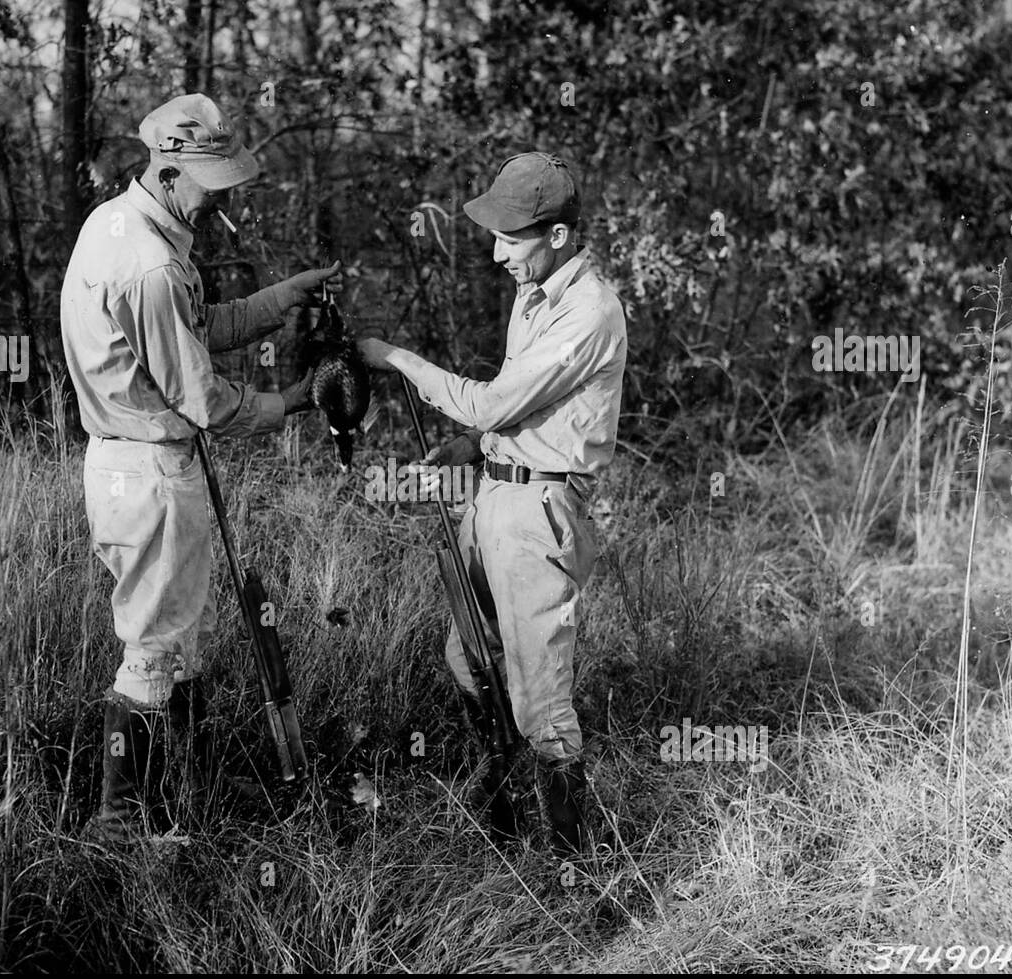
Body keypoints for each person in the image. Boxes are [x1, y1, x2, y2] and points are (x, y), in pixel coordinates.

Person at [61, 93, 342, 840]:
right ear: (170, 167)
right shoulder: (150, 263)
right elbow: (205, 399)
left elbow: (189, 330)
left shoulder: (122, 222)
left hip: (128, 462)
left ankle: (174, 798)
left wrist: (273, 302)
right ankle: (120, 825)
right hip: (151, 470)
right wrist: (296, 403)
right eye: (210, 185)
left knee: (173, 638)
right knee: (153, 649)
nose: (218, 202)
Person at [359, 152, 627, 857]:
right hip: (494, 495)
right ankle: (503, 808)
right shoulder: (532, 289)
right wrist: (471, 449)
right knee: (467, 654)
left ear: (559, 237)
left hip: (540, 513)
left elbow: (491, 398)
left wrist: (393, 359)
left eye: (513, 238)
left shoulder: (590, 311)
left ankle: (572, 868)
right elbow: (515, 411)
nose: (498, 252)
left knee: (541, 697)